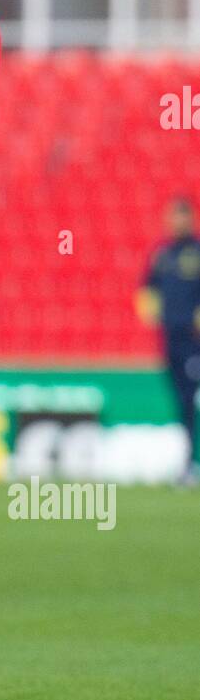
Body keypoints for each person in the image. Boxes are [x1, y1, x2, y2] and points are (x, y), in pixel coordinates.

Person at [136, 196, 200, 485]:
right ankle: (188, 463)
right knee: (182, 401)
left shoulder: (197, 252)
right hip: (171, 340)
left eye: (181, 217)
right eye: (172, 217)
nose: (176, 223)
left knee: (192, 400)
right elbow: (147, 288)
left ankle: (192, 462)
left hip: (193, 340)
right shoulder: (162, 255)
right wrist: (152, 311)